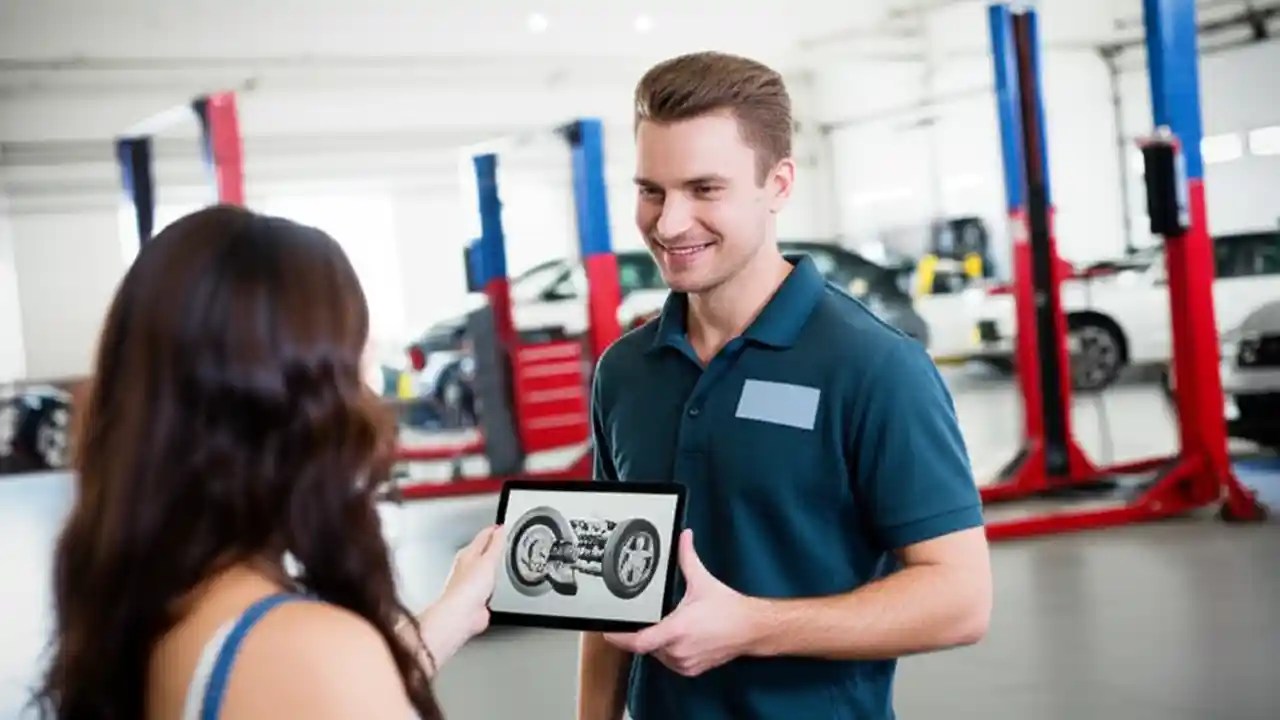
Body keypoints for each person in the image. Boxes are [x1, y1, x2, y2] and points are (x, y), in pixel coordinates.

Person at [577, 51, 993, 720]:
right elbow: (610, 593)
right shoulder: (625, 371)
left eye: (704, 189)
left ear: (778, 183)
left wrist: (751, 626)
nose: (668, 222)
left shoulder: (875, 367)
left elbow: (961, 600)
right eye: (651, 189)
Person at [31, 205, 505, 720]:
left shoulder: (157, 604)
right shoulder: (310, 652)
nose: (368, 404)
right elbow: (323, 683)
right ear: (298, 409)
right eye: (351, 371)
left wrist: (452, 615)